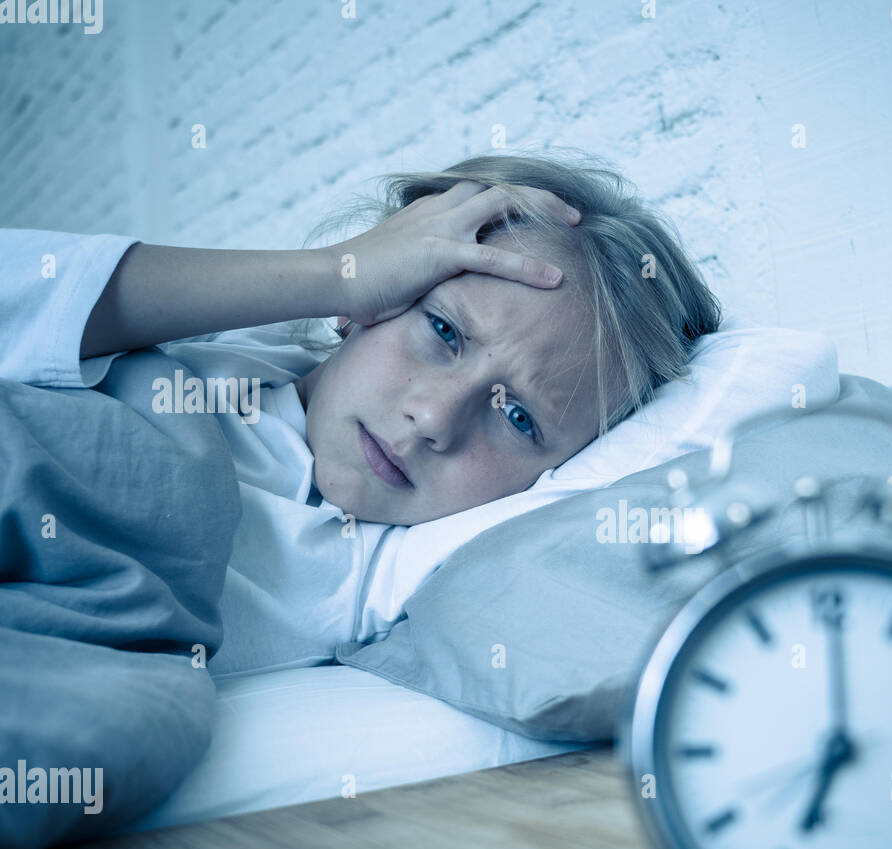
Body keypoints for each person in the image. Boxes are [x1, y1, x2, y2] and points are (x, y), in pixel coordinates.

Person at [0, 150, 724, 676]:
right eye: (443, 331)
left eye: (521, 420)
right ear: (369, 306)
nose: (436, 418)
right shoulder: (209, 344)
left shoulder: (377, 579)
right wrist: (329, 275)